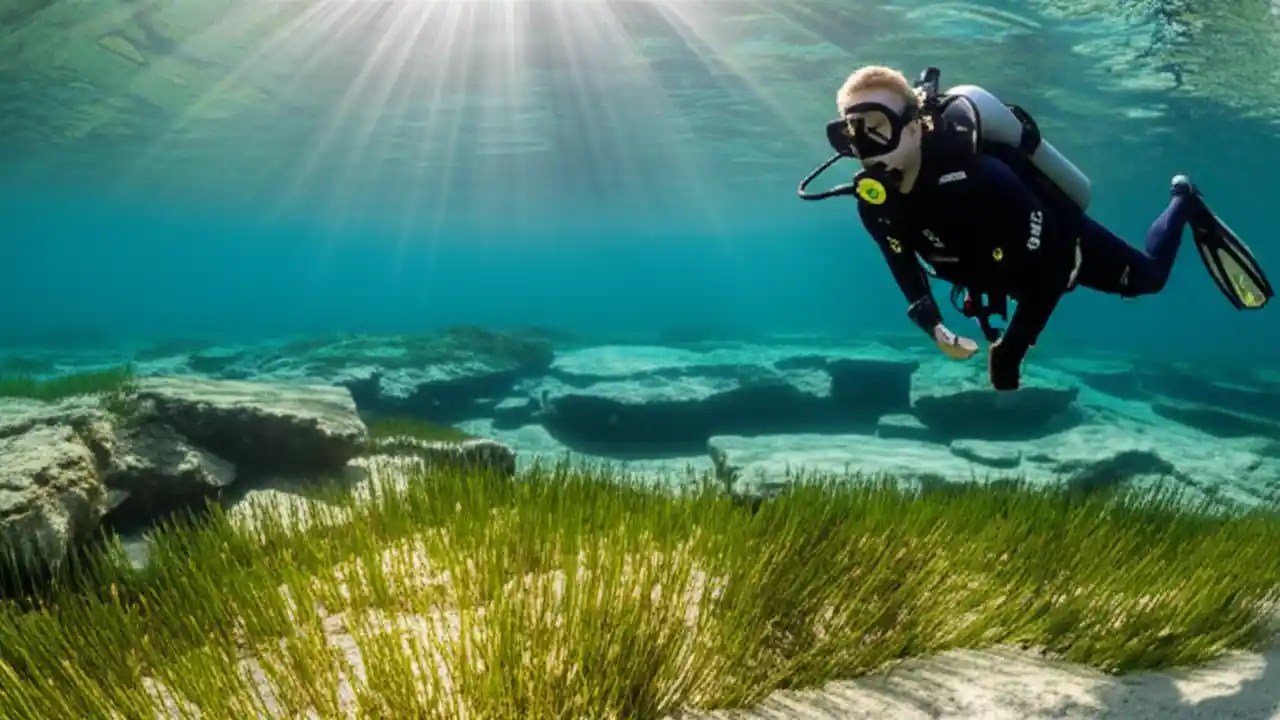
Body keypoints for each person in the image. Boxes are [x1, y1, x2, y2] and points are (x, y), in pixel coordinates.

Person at [797, 64, 1273, 391]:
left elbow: (1050, 269)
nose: (865, 147)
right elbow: (900, 260)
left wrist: (1012, 350)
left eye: (877, 127)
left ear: (918, 125)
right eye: (850, 134)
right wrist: (932, 323)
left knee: (1150, 278)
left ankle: (1183, 202)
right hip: (994, 269)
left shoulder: (984, 181)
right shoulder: (873, 204)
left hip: (1065, 245)